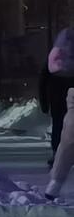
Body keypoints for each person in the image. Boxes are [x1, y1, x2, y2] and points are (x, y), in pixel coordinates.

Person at [39, 28, 74, 166]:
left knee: (58, 125)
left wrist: (44, 102)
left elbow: (43, 81)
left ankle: (58, 154)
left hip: (57, 99)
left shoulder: (53, 59)